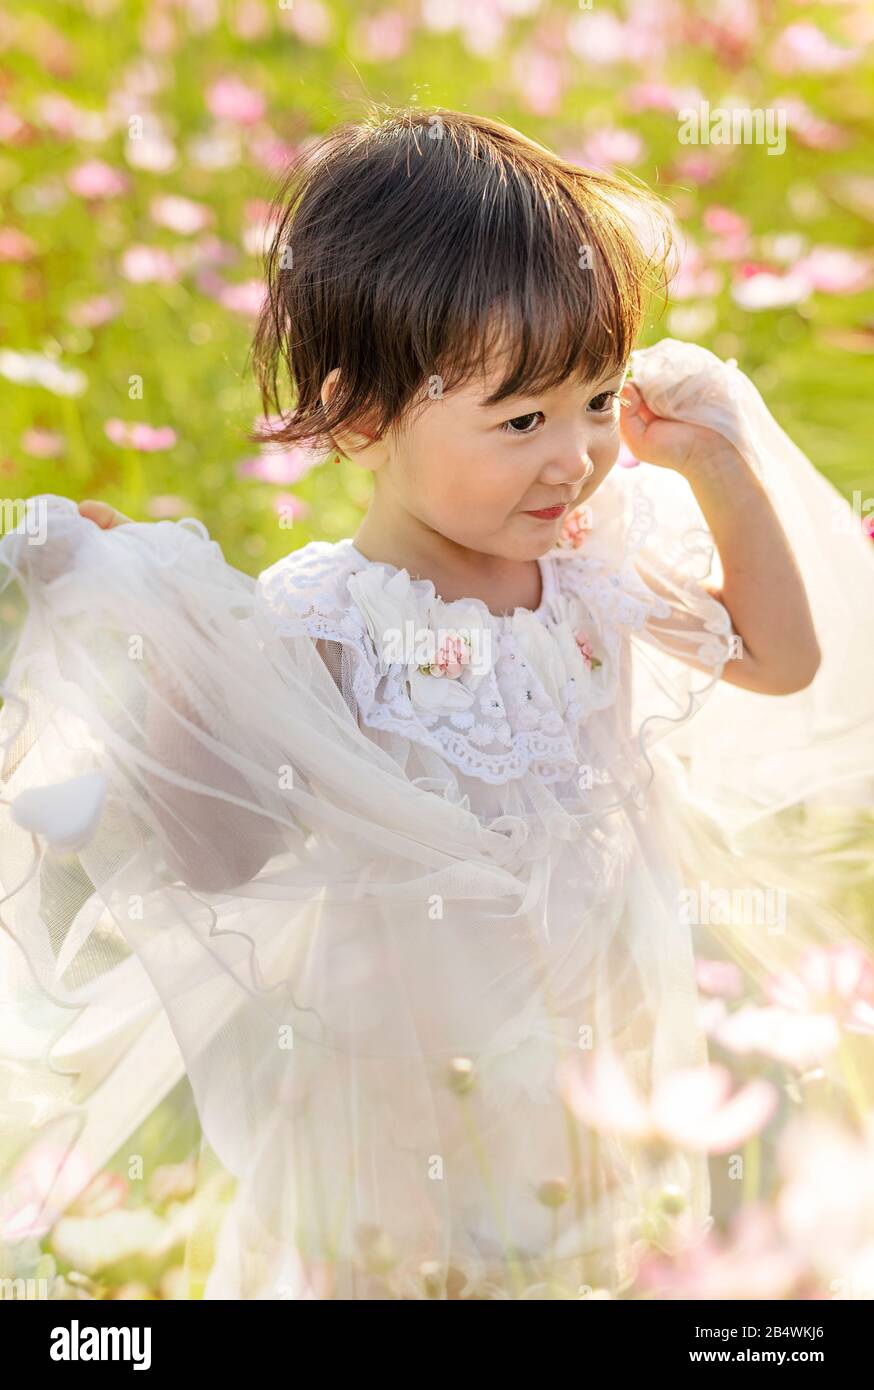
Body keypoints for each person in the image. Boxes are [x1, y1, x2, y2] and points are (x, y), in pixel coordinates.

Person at [1, 109, 872, 1301]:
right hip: (414, 1063)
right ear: (363, 418)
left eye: (600, 400)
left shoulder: (590, 559)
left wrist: (716, 465)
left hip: (602, 1017)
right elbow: (223, 854)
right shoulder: (325, 623)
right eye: (522, 420)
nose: (574, 456)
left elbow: (779, 659)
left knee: (598, 1247)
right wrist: (160, 640)